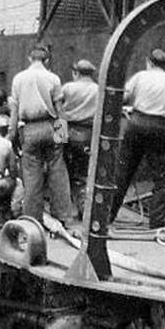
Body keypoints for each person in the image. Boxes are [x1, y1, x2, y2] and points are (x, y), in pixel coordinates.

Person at [8, 44, 78, 234]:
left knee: (31, 175)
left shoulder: (18, 79)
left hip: (29, 129)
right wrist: (63, 136)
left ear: (30, 59)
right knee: (58, 171)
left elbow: (14, 112)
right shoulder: (53, 78)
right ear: (46, 61)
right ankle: (64, 217)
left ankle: (32, 220)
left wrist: (11, 135)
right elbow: (60, 110)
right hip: (50, 126)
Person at [113, 49, 165, 227]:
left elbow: (123, 97)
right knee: (163, 177)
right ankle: (158, 223)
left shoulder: (140, 76)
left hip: (134, 125)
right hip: (158, 127)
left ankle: (105, 217)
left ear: (149, 61)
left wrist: (131, 108)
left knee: (122, 172)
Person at [59, 59, 99, 214]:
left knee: (61, 169)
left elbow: (58, 110)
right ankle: (83, 209)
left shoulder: (68, 88)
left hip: (66, 129)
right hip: (88, 134)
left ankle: (64, 208)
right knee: (83, 173)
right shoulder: (98, 89)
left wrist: (58, 138)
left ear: (76, 73)